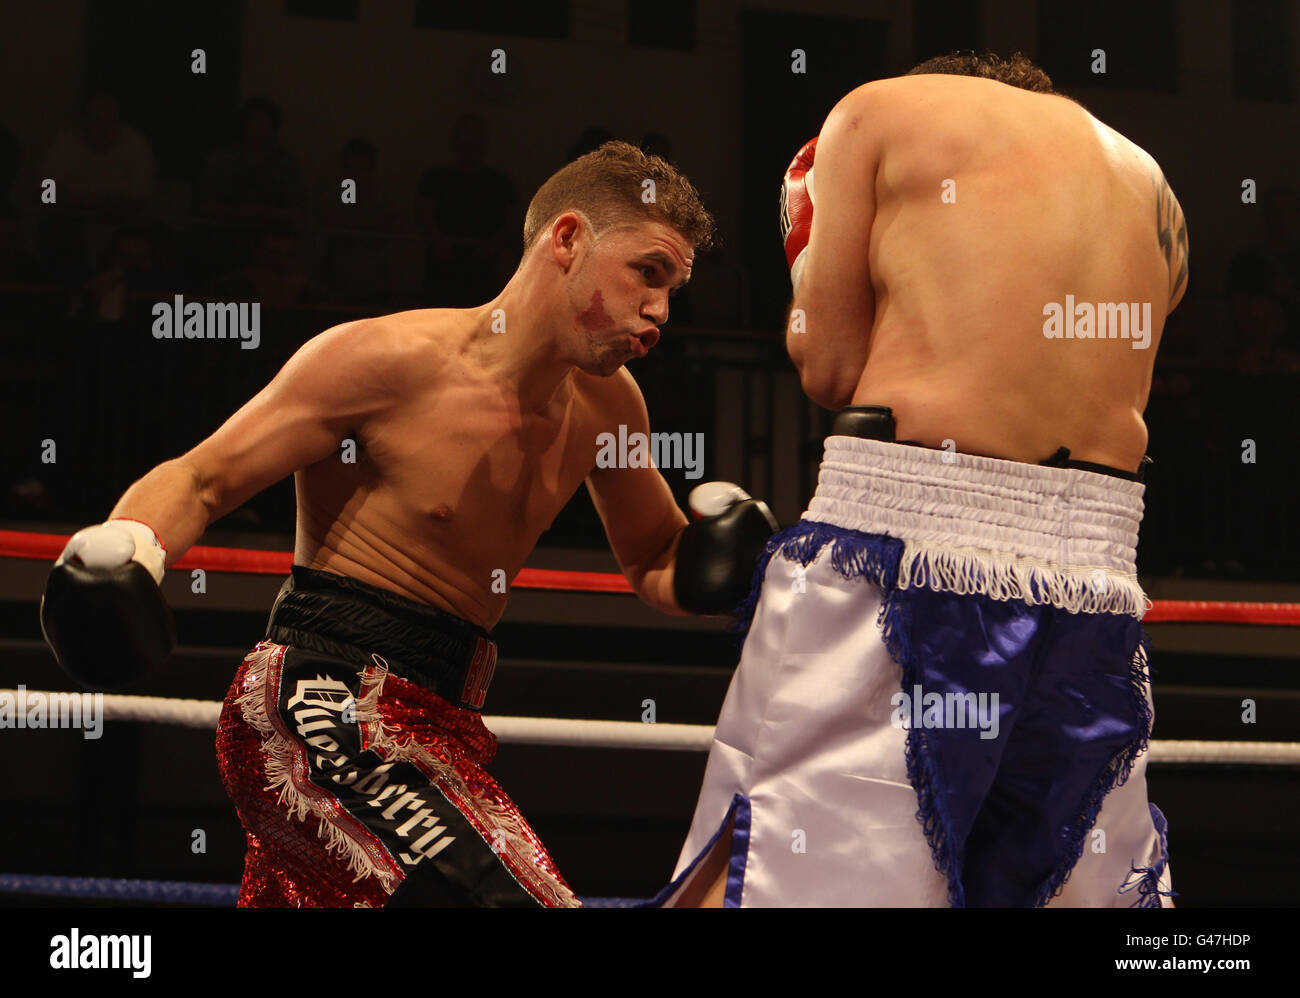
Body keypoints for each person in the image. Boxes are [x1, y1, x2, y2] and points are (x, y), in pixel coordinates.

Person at [40, 141, 777, 907]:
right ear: (567, 240)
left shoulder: (610, 406)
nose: (659, 310)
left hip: (448, 723)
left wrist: (717, 564)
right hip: (322, 701)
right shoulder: (386, 360)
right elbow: (201, 475)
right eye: (648, 273)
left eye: (673, 288)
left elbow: (655, 557)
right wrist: (124, 546)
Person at [656, 52, 1187, 908]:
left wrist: (811, 263)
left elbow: (828, 367)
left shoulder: (876, 110)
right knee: (1078, 893)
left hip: (905, 546)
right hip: (1096, 577)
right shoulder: (1152, 183)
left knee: (775, 873)